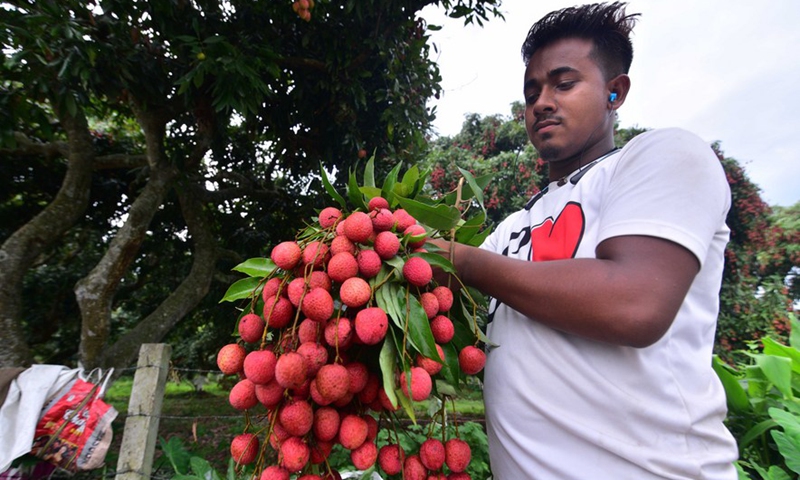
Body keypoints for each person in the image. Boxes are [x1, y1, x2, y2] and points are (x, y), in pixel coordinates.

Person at [433, 2, 739, 478]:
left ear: (615, 92)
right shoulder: (510, 229)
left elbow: (635, 303)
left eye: (564, 84)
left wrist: (462, 261)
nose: (541, 102)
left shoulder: (664, 156)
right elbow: (439, 285)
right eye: (531, 92)